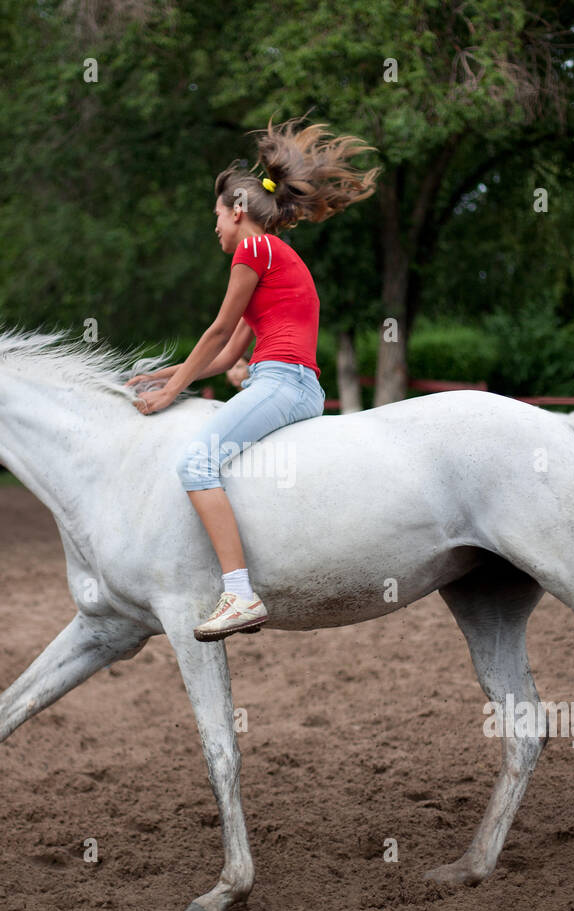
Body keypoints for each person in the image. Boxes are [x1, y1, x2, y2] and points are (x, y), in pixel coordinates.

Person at [128, 118, 378, 641]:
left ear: (237, 211)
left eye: (216, 215)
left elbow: (216, 328)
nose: (214, 227)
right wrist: (159, 374)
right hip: (289, 382)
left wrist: (169, 395)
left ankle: (240, 594)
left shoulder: (254, 250)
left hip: (283, 383)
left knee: (196, 464)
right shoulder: (270, 263)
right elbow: (223, 356)